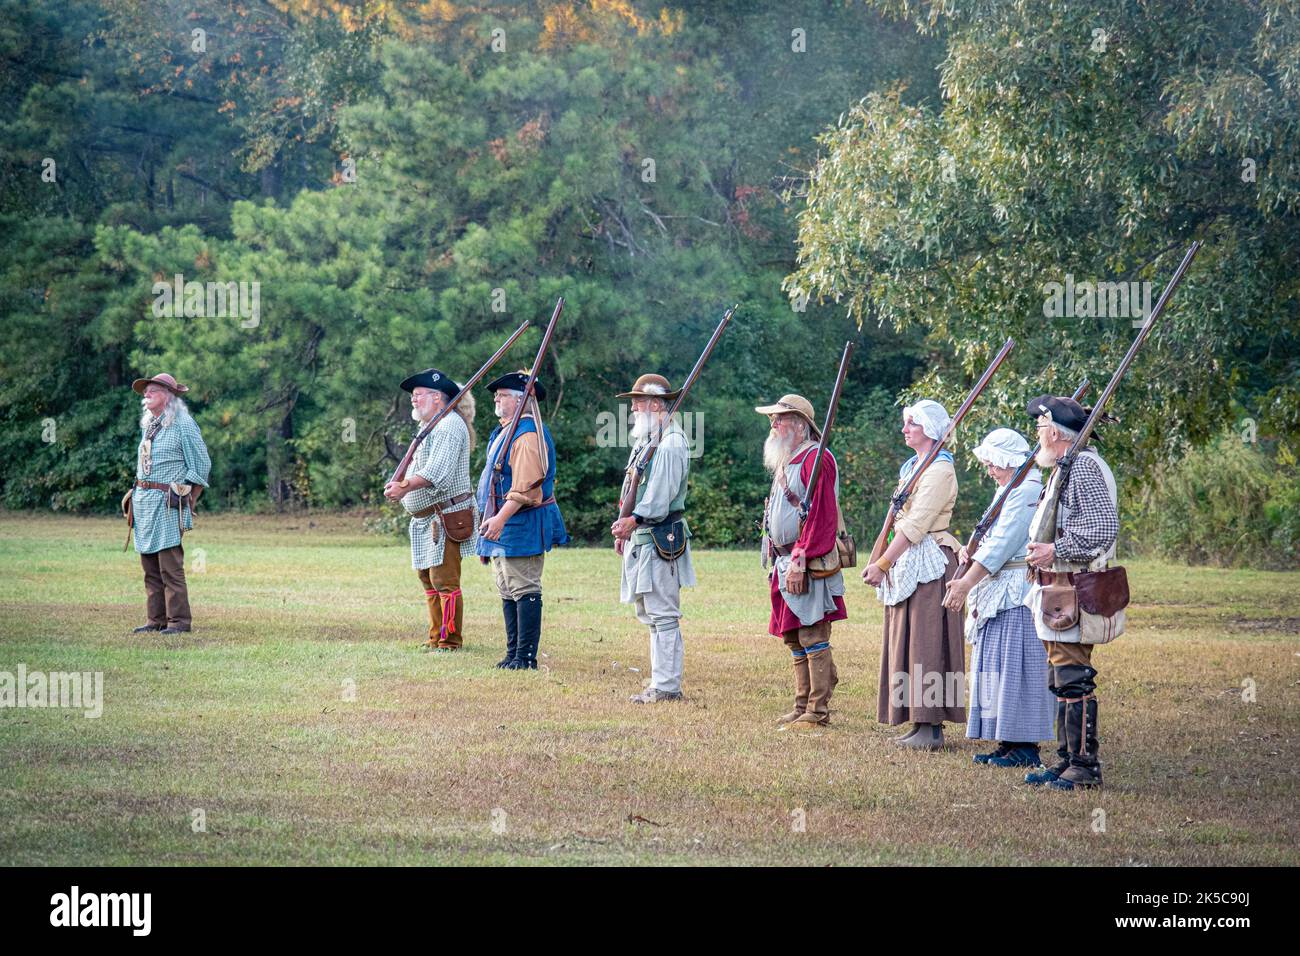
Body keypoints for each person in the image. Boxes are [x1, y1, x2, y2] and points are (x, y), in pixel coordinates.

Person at [1023, 395, 1121, 790]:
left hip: (1073, 588)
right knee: (1062, 675)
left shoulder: (1082, 467)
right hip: (1059, 589)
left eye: (1041, 426)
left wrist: (1055, 550)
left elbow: (1101, 529)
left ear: (1056, 433)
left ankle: (1083, 765)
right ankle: (1066, 761)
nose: (1037, 433)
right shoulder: (1069, 465)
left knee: (1073, 677)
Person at [942, 428, 1054, 767]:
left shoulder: (1026, 491)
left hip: (1016, 591)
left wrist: (966, 582)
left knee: (1017, 667)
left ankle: (1024, 746)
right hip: (1000, 587)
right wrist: (968, 553)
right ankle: (1008, 739)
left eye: (993, 464)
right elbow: (989, 538)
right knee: (997, 666)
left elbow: (1002, 544)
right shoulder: (1010, 489)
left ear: (1008, 460)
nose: (990, 470)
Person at [864, 399, 966, 749]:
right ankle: (916, 721)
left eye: (913, 424)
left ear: (931, 431)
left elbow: (917, 524)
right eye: (906, 423)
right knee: (906, 640)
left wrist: (883, 564)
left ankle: (931, 726)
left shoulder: (939, 470)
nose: (905, 429)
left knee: (927, 642)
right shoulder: (914, 466)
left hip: (931, 564)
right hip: (911, 560)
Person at [756, 394, 846, 730]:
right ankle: (801, 704)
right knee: (793, 635)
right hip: (783, 560)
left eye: (780, 419)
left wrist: (800, 558)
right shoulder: (786, 460)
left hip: (805, 559)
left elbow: (821, 516)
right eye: (774, 420)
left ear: (799, 424)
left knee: (812, 633)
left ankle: (817, 711)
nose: (774, 425)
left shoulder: (816, 459)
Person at [610, 374, 696, 703]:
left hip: (659, 536)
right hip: (642, 537)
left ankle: (667, 686)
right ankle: (661, 681)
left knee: (663, 615)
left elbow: (659, 498)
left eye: (638, 402)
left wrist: (633, 521)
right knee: (650, 615)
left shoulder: (671, 442)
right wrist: (625, 525)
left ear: (656, 404)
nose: (632, 409)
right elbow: (631, 489)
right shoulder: (648, 440)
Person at [475, 370, 568, 670]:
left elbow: (526, 488)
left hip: (521, 521)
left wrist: (499, 519)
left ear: (523, 400)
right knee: (507, 587)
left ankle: (526, 658)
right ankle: (513, 654)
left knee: (524, 587)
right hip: (504, 522)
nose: (496, 399)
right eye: (497, 394)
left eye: (503, 395)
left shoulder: (527, 435)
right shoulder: (506, 430)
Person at [383, 368, 478, 652]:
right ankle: (436, 635)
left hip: (446, 515)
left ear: (438, 397)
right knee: (428, 578)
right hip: (429, 517)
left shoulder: (449, 425)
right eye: (413, 394)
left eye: (419, 393)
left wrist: (405, 486)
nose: (413, 399)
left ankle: (450, 639)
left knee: (444, 579)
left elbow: (438, 473)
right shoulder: (432, 426)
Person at [126, 373, 211, 635]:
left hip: (167, 503)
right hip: (144, 503)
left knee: (170, 567)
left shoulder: (183, 424)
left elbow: (202, 465)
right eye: (145, 391)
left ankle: (179, 622)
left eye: (152, 390)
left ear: (169, 396)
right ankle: (156, 620)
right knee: (149, 566)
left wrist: (188, 496)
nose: (146, 394)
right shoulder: (149, 423)